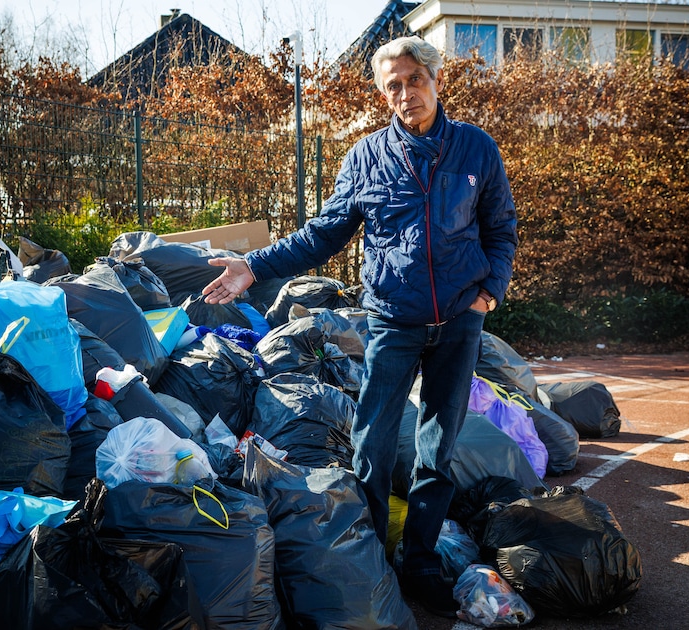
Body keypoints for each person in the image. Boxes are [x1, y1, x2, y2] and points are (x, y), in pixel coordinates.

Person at [202, 36, 518, 614]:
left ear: (435, 81)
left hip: (458, 323)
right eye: (392, 86)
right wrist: (253, 265)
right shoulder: (367, 158)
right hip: (393, 323)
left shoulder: (476, 150)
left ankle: (419, 557)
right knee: (372, 441)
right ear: (383, 93)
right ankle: (369, 552)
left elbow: (501, 229)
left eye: (413, 80)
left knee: (438, 444)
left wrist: (489, 295)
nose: (405, 94)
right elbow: (321, 235)